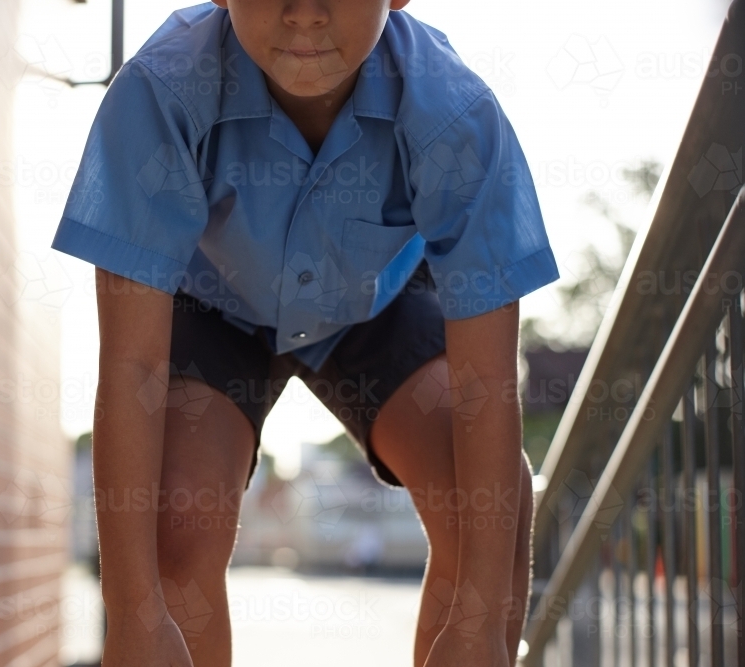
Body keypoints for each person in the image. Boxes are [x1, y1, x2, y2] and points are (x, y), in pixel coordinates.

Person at [51, 1, 559, 665]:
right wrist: (132, 617)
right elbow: (130, 369)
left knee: (493, 499)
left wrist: (483, 626)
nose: (304, 13)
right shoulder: (161, 91)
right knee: (174, 521)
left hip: (376, 298)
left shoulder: (457, 116)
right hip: (211, 301)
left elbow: (486, 385)